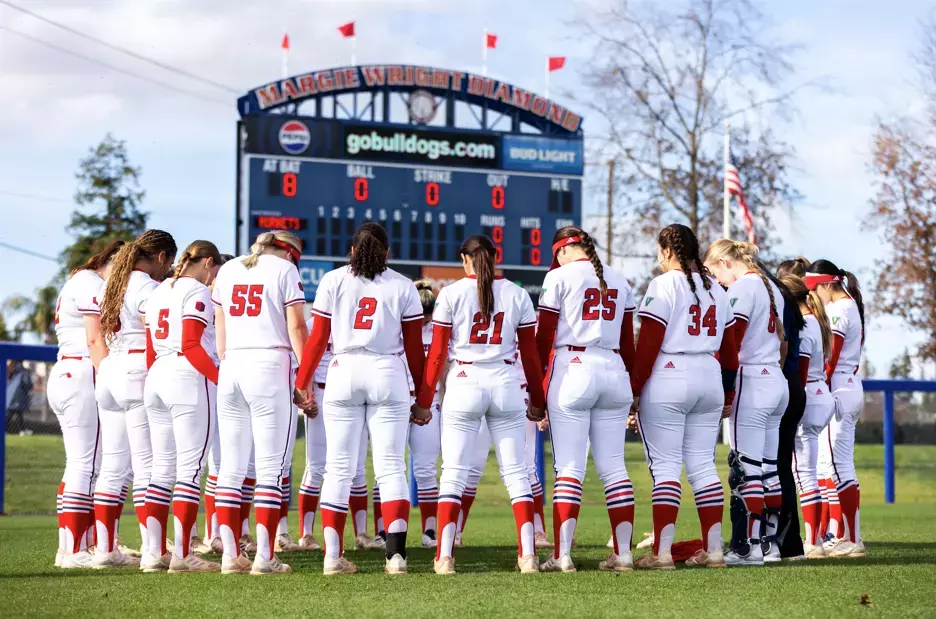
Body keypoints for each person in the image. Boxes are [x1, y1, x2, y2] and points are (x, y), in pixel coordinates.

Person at [294, 222, 426, 576]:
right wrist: (424, 396)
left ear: (352, 251)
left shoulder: (333, 280)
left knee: (338, 467)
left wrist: (302, 381)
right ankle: (395, 557)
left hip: (343, 370)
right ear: (387, 252)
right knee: (391, 466)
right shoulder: (402, 285)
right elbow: (415, 350)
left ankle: (332, 557)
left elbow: (318, 339)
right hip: (387, 371)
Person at [414, 234, 546, 576]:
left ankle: (445, 557)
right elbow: (531, 355)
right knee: (517, 474)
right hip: (505, 382)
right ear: (495, 256)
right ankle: (528, 556)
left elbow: (437, 354)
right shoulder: (517, 294)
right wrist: (538, 398)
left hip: (465, 380)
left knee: (453, 474)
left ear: (464, 259)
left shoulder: (451, 294)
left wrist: (424, 401)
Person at [628, 224, 737, 569]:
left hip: (669, 373)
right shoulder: (716, 288)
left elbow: (648, 343)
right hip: (709, 375)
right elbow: (730, 350)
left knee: (666, 468)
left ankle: (661, 553)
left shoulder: (663, 284)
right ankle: (714, 550)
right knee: (704, 466)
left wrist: (634, 389)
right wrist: (729, 392)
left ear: (667, 250)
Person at [534, 226, 637, 573]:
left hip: (573, 367)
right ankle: (623, 555)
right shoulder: (620, 279)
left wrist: (536, 387)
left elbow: (543, 337)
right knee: (615, 468)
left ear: (563, 250)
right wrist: (635, 387)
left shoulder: (560, 276)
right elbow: (628, 341)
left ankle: (562, 555)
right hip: (614, 367)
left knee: (569, 468)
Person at [212, 231, 308, 575]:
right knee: (270, 470)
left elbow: (220, 326)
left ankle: (230, 556)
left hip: (232, 365)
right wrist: (305, 377)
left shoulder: (229, 269)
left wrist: (227, 361)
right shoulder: (284, 270)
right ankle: (265, 557)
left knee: (231, 469)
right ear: (286, 252)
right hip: (269, 364)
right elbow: (296, 327)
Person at [92, 230, 177, 570]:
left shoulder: (110, 284)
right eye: (168, 262)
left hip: (110, 370)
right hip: (137, 368)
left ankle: (104, 550)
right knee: (147, 467)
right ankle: (154, 552)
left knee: (112, 468)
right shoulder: (146, 286)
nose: (167, 270)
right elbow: (154, 329)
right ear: (161, 257)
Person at [143, 241, 225, 573]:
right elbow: (191, 344)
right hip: (187, 375)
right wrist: (220, 378)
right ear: (207, 262)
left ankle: (153, 554)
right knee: (189, 470)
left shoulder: (159, 290)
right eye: (215, 270)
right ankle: (182, 554)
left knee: (161, 469)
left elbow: (151, 349)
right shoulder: (198, 291)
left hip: (157, 374)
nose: (214, 277)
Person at [704, 239, 787, 566]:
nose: (717, 281)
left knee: (745, 469)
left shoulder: (742, 288)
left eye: (714, 272)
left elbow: (731, 341)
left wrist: (722, 385)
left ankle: (748, 548)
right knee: (769, 469)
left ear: (725, 262)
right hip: (775, 379)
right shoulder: (771, 286)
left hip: (752, 379)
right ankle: (770, 545)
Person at [47, 240, 124, 568]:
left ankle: (70, 547)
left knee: (78, 464)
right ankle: (76, 550)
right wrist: (109, 377)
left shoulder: (78, 279)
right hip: (82, 371)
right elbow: (94, 339)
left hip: (66, 370)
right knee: (86, 465)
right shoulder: (92, 282)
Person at [806, 259, 866, 558]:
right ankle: (845, 535)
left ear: (828, 284)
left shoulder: (840, 309)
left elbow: (831, 357)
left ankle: (851, 538)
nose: (812, 295)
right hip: (848, 384)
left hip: (839, 387)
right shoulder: (848, 305)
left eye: (814, 288)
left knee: (837, 465)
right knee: (836, 465)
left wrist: (820, 386)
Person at [779, 274, 835, 559]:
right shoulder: (817, 319)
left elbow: (800, 371)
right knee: (810, 473)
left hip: (809, 394)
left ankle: (813, 541)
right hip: (821, 392)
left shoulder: (804, 323)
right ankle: (817, 538)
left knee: (803, 475)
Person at [411, 280, 443, 548]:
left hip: (430, 402)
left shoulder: (438, 330)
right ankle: (383, 531)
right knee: (389, 468)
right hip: (400, 399)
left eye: (428, 314)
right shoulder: (399, 326)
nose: (424, 319)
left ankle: (429, 530)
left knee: (425, 468)